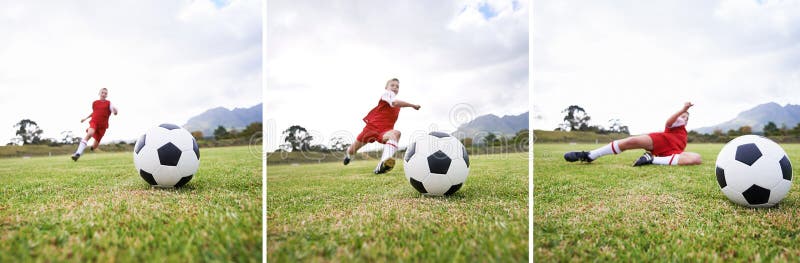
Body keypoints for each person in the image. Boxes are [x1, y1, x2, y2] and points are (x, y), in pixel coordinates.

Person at [564, 102, 702, 166]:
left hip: (670, 153)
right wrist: (682, 110)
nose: (683, 118)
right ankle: (590, 155)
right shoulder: (674, 124)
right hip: (661, 140)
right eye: (682, 116)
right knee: (631, 141)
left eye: (686, 117)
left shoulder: (683, 133)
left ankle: (651, 159)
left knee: (696, 158)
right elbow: (670, 121)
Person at [343, 78, 421, 174]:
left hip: (385, 131)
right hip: (370, 129)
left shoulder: (398, 104)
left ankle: (382, 164)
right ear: (386, 87)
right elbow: (394, 102)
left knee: (396, 134)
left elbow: (396, 104)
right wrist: (412, 105)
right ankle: (348, 156)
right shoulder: (387, 95)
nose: (395, 87)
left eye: (397, 86)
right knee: (352, 150)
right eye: (392, 85)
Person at [71, 88, 118, 161]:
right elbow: (94, 113)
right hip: (94, 122)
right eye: (102, 92)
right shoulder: (95, 103)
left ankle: (92, 148)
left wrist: (115, 111)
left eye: (105, 93)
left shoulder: (109, 103)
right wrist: (85, 118)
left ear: (107, 95)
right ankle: (78, 153)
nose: (104, 94)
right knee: (90, 133)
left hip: (103, 126)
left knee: (95, 146)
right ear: (99, 93)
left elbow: (114, 112)